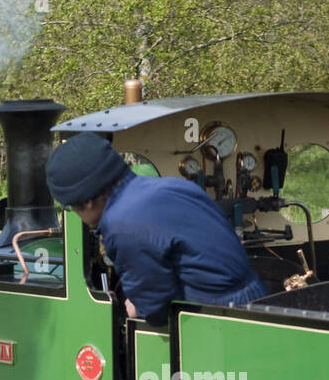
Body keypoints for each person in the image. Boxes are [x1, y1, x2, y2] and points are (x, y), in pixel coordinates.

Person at [45, 132, 267, 326]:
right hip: (255, 303)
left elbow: (157, 310)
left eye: (71, 206)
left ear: (88, 201)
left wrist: (137, 308)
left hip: (214, 321)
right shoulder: (175, 186)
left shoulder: (121, 224)